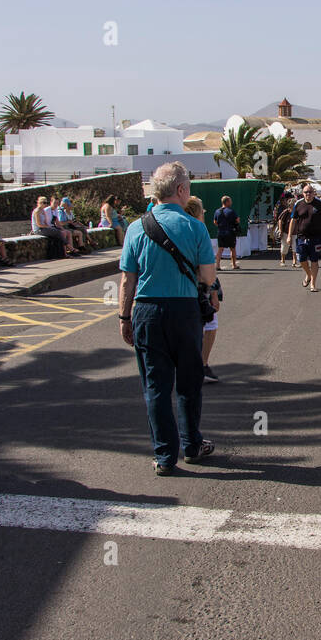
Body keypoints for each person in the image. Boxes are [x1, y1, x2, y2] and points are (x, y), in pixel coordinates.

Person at [118, 162, 218, 475]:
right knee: (189, 382)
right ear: (179, 190)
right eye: (187, 186)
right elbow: (207, 275)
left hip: (147, 311)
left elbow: (127, 280)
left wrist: (124, 316)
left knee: (156, 386)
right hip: (185, 310)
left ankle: (164, 456)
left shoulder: (136, 228)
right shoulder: (195, 226)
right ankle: (192, 445)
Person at [185, 195, 224, 382]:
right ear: (197, 212)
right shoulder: (200, 230)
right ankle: (202, 364)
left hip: (183, 288)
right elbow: (207, 269)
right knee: (210, 324)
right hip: (201, 289)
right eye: (202, 211)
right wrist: (214, 294)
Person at [288, 183, 321, 292]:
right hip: (302, 237)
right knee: (301, 259)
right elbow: (293, 220)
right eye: (306, 192)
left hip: (317, 237)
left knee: (314, 260)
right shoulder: (298, 204)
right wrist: (289, 235)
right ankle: (308, 274)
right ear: (302, 193)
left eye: (310, 192)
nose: (308, 194)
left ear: (314, 193)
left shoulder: (320, 204)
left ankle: (313, 284)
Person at [213, 195, 240, 271]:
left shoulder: (217, 211)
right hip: (230, 232)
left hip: (221, 232)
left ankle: (217, 265)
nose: (231, 202)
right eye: (230, 201)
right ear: (227, 202)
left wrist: (221, 226)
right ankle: (234, 265)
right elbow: (237, 220)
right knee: (232, 249)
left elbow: (215, 222)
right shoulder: (231, 211)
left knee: (220, 249)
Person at [275, 194, 296, 267]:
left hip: (295, 232)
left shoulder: (297, 212)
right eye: (293, 205)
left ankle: (294, 261)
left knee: (295, 247)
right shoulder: (286, 212)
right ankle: (282, 260)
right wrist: (280, 230)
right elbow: (280, 220)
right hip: (285, 232)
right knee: (284, 247)